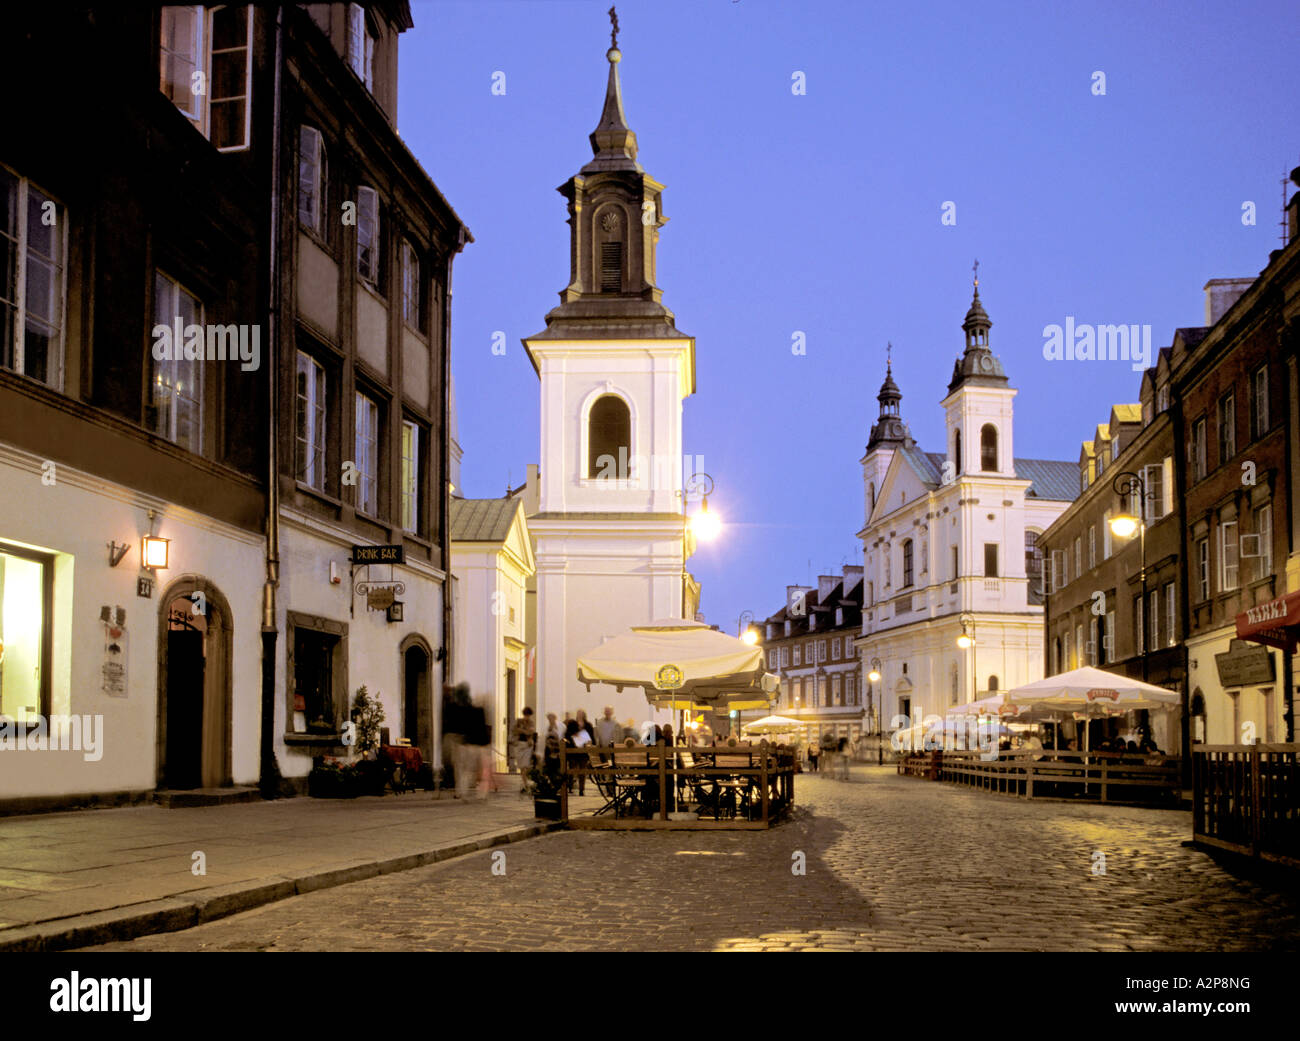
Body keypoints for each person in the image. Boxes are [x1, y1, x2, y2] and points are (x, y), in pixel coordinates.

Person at [511, 707, 536, 793]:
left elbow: (530, 732)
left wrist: (522, 730)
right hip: (519, 745)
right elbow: (514, 731)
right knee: (521, 766)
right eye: (526, 715)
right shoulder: (518, 721)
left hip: (527, 745)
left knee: (525, 765)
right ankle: (525, 784)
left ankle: (525, 784)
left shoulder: (531, 722)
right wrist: (524, 731)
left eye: (528, 715)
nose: (527, 717)